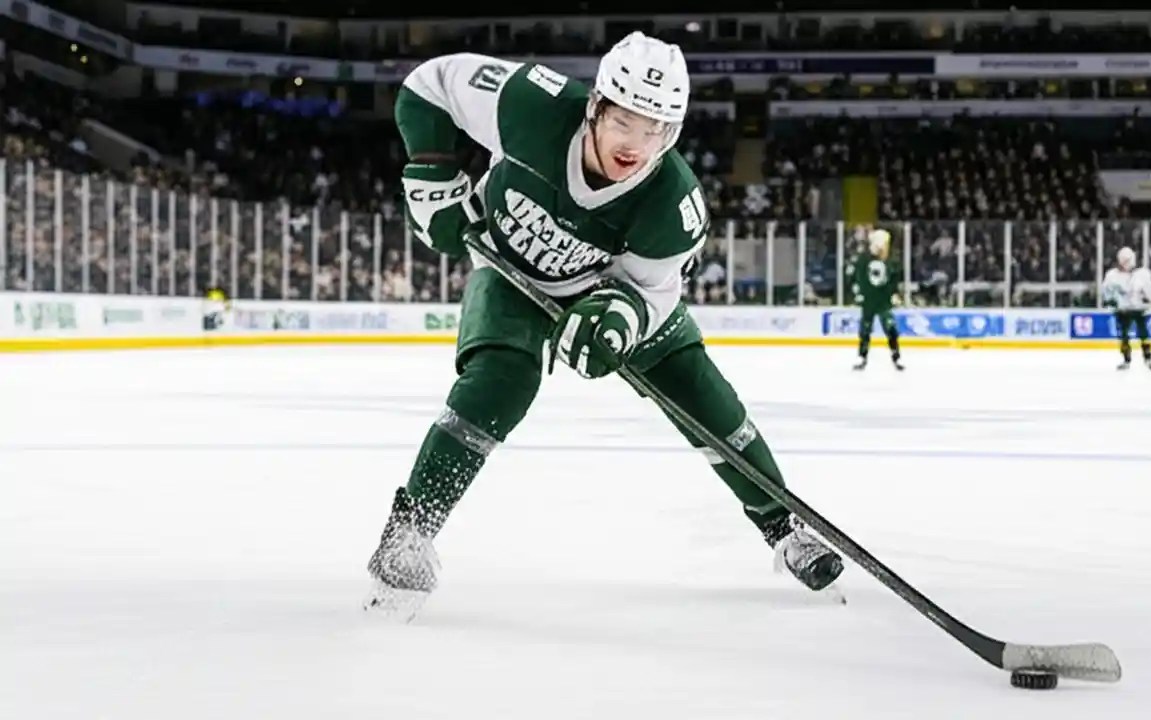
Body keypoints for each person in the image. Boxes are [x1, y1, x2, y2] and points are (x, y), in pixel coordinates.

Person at [365, 33, 844, 613]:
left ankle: (783, 527)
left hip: (606, 288)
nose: (638, 145)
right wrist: (432, 171)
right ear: (595, 106)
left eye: (657, 131)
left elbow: (652, 294)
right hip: (511, 266)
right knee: (498, 384)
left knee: (704, 399)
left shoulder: (673, 202)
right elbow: (429, 86)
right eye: (626, 122)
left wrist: (619, 317)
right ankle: (410, 531)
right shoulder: (529, 104)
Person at [849, 229, 904, 371]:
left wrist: (895, 294)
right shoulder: (864, 259)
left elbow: (894, 280)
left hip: (884, 301)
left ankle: (895, 355)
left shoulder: (891, 260)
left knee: (890, 328)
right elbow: (857, 277)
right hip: (869, 300)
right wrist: (858, 292)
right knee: (865, 329)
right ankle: (862, 356)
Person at [1102, 246, 1151, 371]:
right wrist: (1111, 301)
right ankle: (1126, 359)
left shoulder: (1142, 274)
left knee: (1143, 334)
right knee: (1123, 335)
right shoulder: (1112, 275)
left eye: (1128, 260)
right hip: (1123, 310)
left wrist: (1148, 299)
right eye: (1123, 260)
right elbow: (1106, 292)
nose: (1126, 263)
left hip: (1139, 309)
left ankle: (1148, 358)